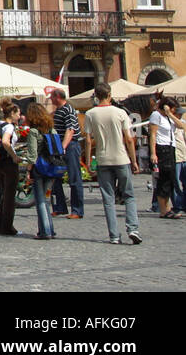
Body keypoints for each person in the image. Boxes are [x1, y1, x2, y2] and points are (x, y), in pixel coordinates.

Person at [83, 82, 142, 245]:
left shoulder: (90, 114)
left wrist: (88, 162)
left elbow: (88, 140)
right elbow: (129, 139)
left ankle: (114, 236)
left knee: (108, 199)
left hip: (102, 159)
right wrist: (134, 160)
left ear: (96, 95)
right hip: (121, 158)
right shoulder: (120, 112)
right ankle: (133, 229)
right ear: (109, 95)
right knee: (128, 195)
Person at [18, 104, 58, 240]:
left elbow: (32, 155)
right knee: (46, 201)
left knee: (40, 201)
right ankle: (50, 230)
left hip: (40, 169)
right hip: (52, 167)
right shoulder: (52, 130)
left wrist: (28, 171)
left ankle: (45, 231)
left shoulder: (34, 132)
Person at [147, 96, 186, 219]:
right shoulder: (156, 115)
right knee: (163, 180)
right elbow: (152, 135)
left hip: (171, 148)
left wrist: (170, 114)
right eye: (173, 109)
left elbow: (181, 126)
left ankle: (167, 208)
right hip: (161, 148)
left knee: (170, 179)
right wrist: (153, 153)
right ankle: (163, 209)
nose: (174, 111)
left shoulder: (168, 117)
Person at [48, 89, 84, 219]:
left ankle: (77, 210)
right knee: (56, 177)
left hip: (70, 146)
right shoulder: (59, 110)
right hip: (61, 147)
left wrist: (63, 147)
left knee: (74, 178)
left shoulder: (68, 109)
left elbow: (70, 130)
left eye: (51, 97)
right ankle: (60, 207)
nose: (50, 99)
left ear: (57, 97)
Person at [0, 102, 22, 236]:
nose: (20, 116)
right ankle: (7, 227)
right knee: (10, 196)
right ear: (12, 114)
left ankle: (0, 226)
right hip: (8, 163)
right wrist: (14, 156)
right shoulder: (9, 126)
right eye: (18, 113)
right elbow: (5, 142)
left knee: (4, 194)